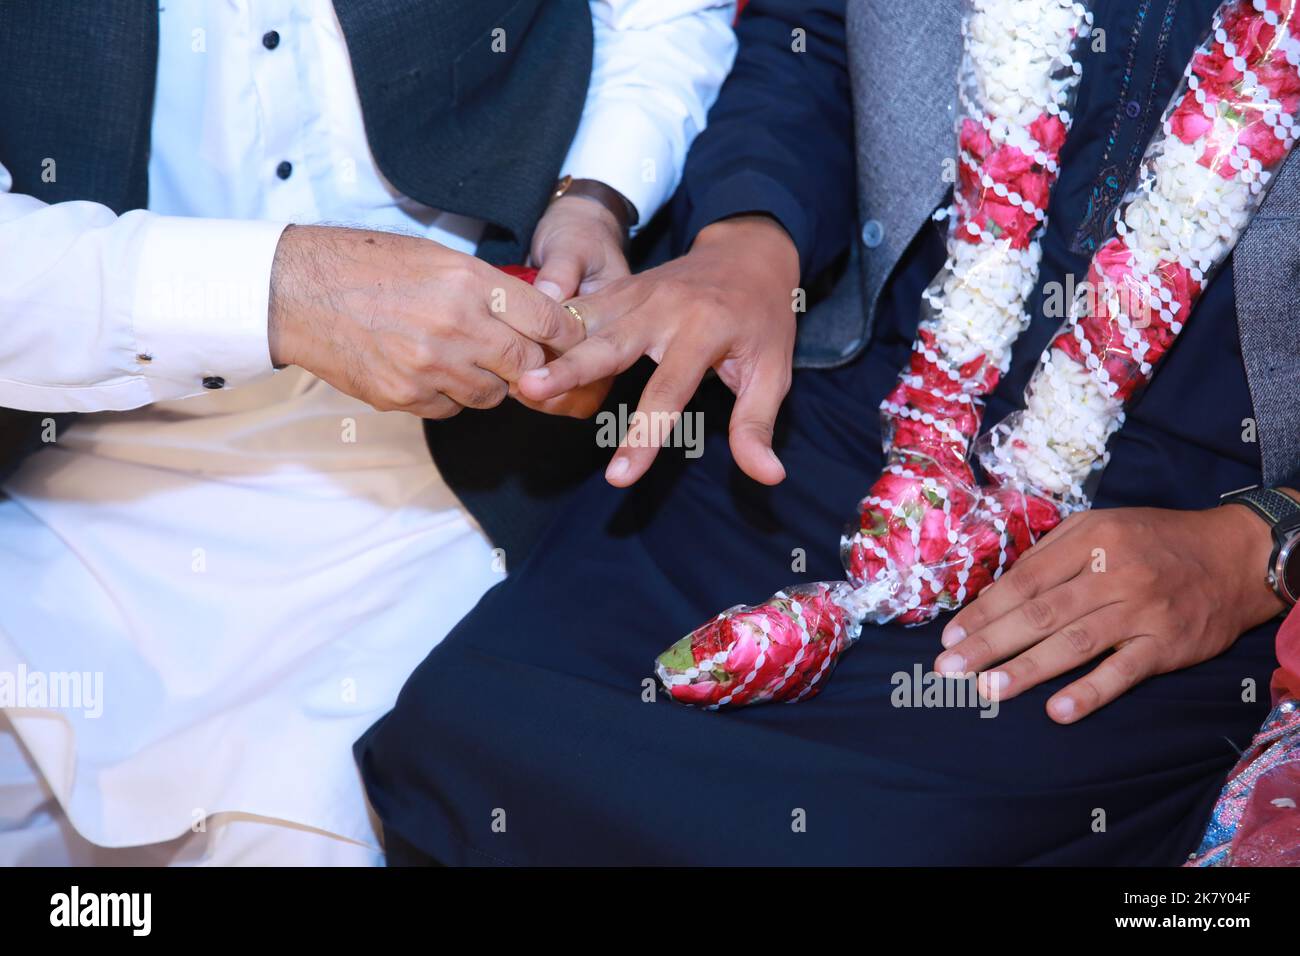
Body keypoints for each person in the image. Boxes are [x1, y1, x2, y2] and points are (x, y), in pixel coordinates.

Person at [357, 0, 1300, 865]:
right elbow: (809, 32)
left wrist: (1259, 544)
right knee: (486, 725)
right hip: (859, 406)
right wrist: (749, 236)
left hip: (1176, 524)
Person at [0, 0, 737, 865]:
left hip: (459, 476)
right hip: (69, 437)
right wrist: (281, 292)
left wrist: (596, 198)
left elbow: (665, 17)